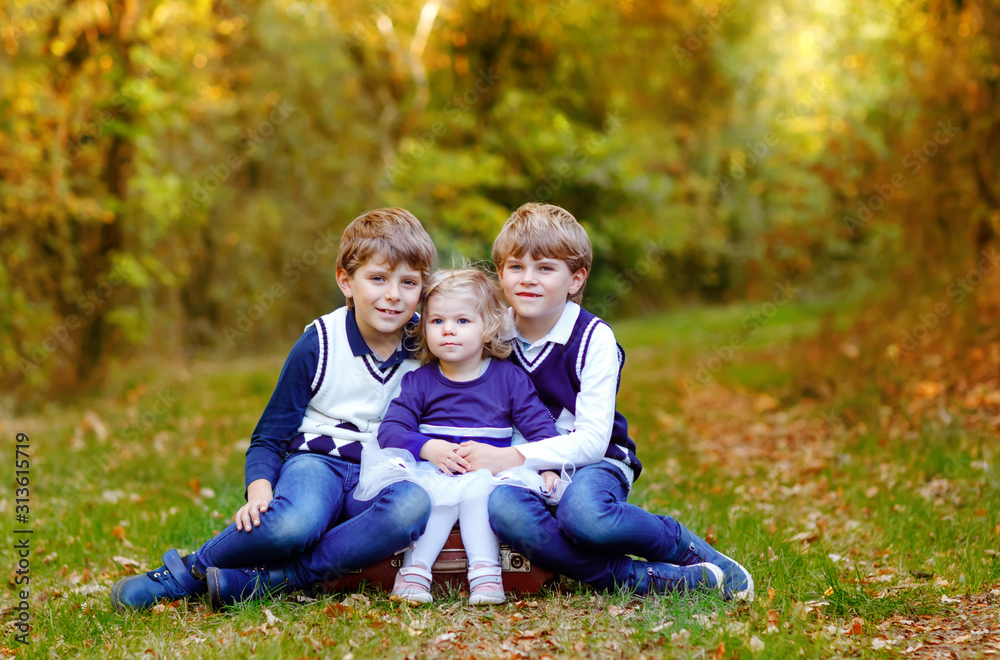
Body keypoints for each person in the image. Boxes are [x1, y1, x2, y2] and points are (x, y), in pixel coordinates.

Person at [111, 208, 438, 611]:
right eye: (377, 279)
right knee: (292, 523)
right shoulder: (320, 342)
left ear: (423, 288)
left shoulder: (431, 343)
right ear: (345, 281)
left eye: (408, 282)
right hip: (318, 462)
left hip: (384, 469)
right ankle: (190, 571)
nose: (393, 295)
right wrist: (260, 488)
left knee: (413, 504)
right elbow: (270, 434)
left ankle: (280, 580)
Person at [457, 202, 755, 600]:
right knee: (503, 509)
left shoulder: (593, 339)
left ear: (576, 279)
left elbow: (593, 440)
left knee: (586, 518)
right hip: (521, 470)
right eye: (516, 267)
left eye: (545, 268)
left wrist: (512, 458)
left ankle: (679, 545)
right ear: (501, 273)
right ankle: (640, 579)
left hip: (593, 461)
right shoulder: (491, 333)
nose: (528, 279)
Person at [357, 267, 563, 606]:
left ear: (488, 328)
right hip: (435, 471)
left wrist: (548, 467)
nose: (448, 330)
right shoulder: (420, 381)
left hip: (490, 473)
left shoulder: (509, 379)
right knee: (436, 494)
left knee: (478, 490)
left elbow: (540, 427)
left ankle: (485, 573)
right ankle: (415, 571)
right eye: (437, 321)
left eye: (463, 321)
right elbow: (391, 429)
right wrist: (428, 447)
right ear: (424, 328)